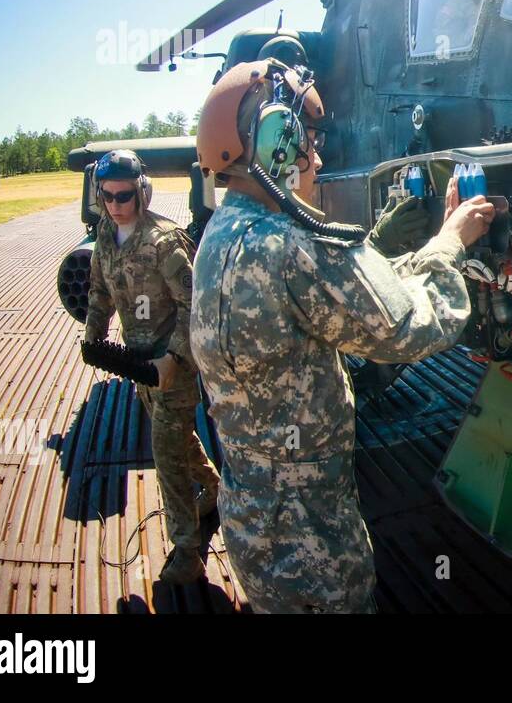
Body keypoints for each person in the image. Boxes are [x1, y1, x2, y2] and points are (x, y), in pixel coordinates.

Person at [189, 50, 494, 613]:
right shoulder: (293, 246)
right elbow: (407, 328)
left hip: (254, 520)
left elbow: (337, 305)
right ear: (278, 143)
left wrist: (413, 252)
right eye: (310, 138)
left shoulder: (223, 235)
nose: (317, 154)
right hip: (311, 541)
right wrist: (451, 241)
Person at [83, 149, 220, 586]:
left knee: (166, 459)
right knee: (178, 441)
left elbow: (195, 307)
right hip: (140, 365)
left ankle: (186, 550)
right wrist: (93, 337)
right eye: (106, 196)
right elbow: (99, 293)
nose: (115, 205)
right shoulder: (106, 236)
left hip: (173, 367)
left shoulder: (165, 241)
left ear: (141, 192)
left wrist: (174, 358)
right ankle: (214, 490)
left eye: (124, 196)